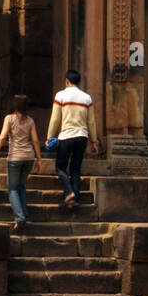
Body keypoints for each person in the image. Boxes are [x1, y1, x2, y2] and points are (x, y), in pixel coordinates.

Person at [46, 69, 99, 210]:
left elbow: (55, 119)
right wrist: (94, 141)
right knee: (75, 168)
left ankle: (69, 193)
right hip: (82, 137)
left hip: (67, 136)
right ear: (78, 82)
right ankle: (74, 197)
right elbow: (91, 122)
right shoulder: (87, 98)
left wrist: (49, 137)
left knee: (61, 166)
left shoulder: (61, 96)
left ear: (67, 81)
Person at [0, 94, 41, 231]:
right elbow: (35, 140)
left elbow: (3, 137)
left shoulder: (9, 119)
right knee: (21, 186)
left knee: (12, 188)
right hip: (29, 157)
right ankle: (23, 214)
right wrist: (39, 159)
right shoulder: (30, 121)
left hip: (15, 158)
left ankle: (20, 218)